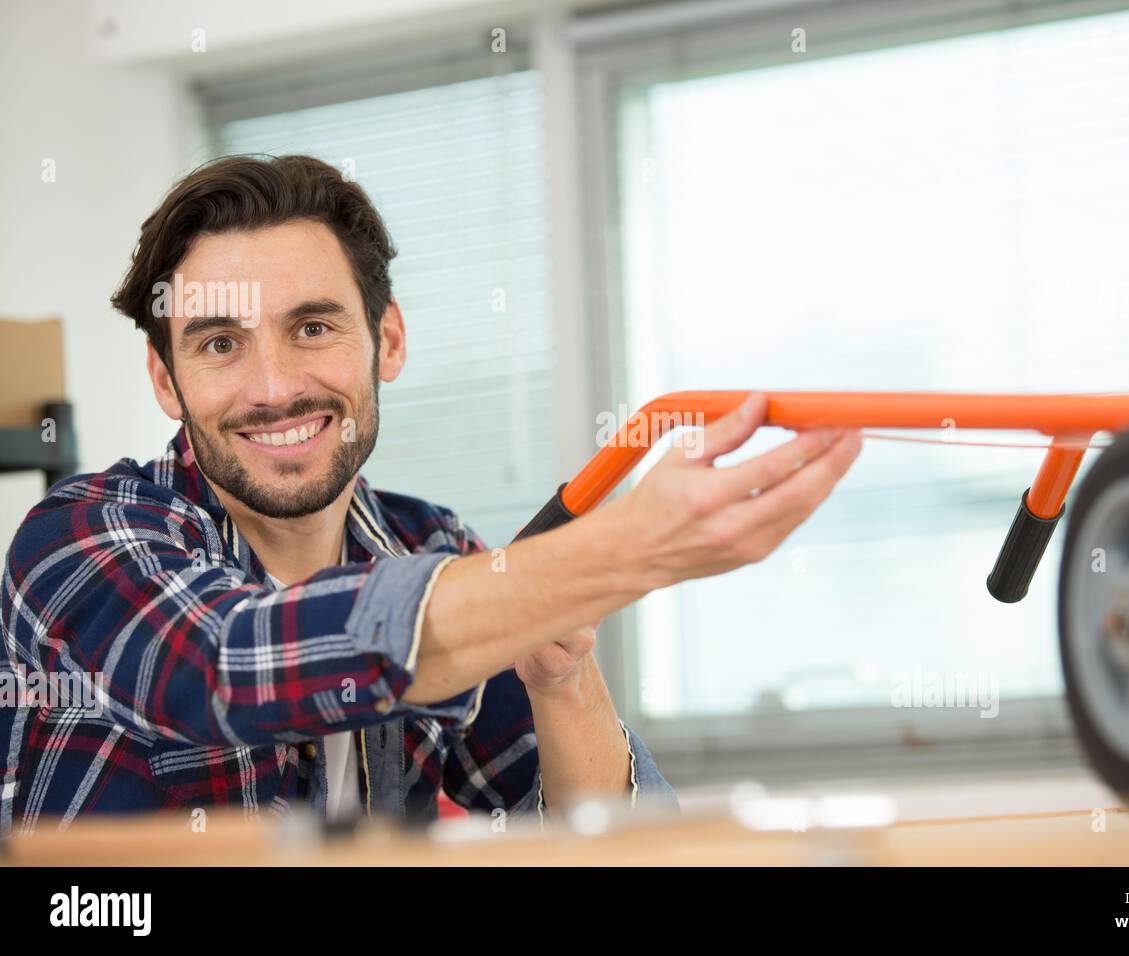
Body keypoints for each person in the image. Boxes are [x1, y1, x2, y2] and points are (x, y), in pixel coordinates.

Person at [0, 154, 862, 837]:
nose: (274, 387)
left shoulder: (434, 548)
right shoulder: (80, 538)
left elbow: (612, 846)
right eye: (220, 343)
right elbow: (234, 663)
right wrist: (614, 551)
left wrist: (560, 669)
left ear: (389, 339)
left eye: (312, 327)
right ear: (165, 378)